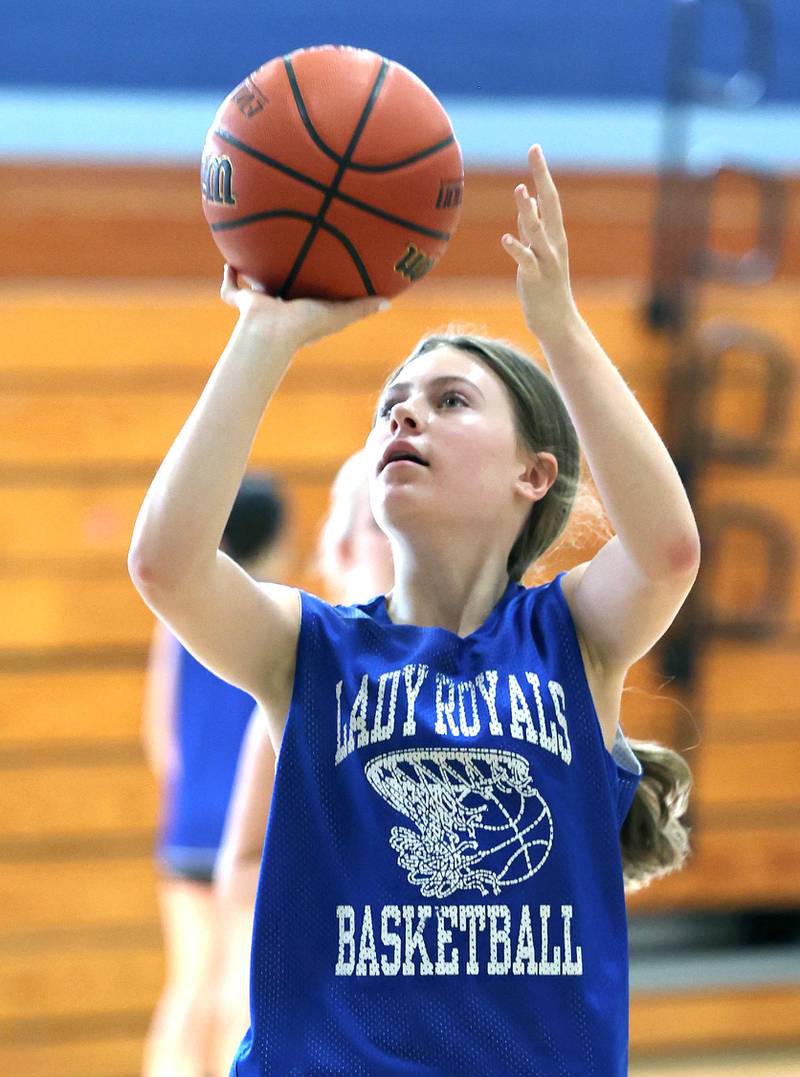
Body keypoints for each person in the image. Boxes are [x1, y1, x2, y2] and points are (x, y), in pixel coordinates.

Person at [129, 145, 698, 1075]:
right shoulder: (311, 651)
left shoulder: (572, 640)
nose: (405, 415)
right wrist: (263, 335)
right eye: (391, 404)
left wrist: (558, 327)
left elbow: (669, 548)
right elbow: (164, 562)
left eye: (450, 400)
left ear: (533, 474)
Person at [212, 450, 393, 1072]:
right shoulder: (308, 675)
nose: (396, 531)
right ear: (339, 551)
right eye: (376, 521)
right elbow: (241, 860)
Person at [140, 473, 291, 1077]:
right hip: (249, 832)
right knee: (237, 994)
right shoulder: (275, 613)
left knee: (187, 989)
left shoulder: (175, 619)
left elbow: (160, 734)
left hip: (186, 826)